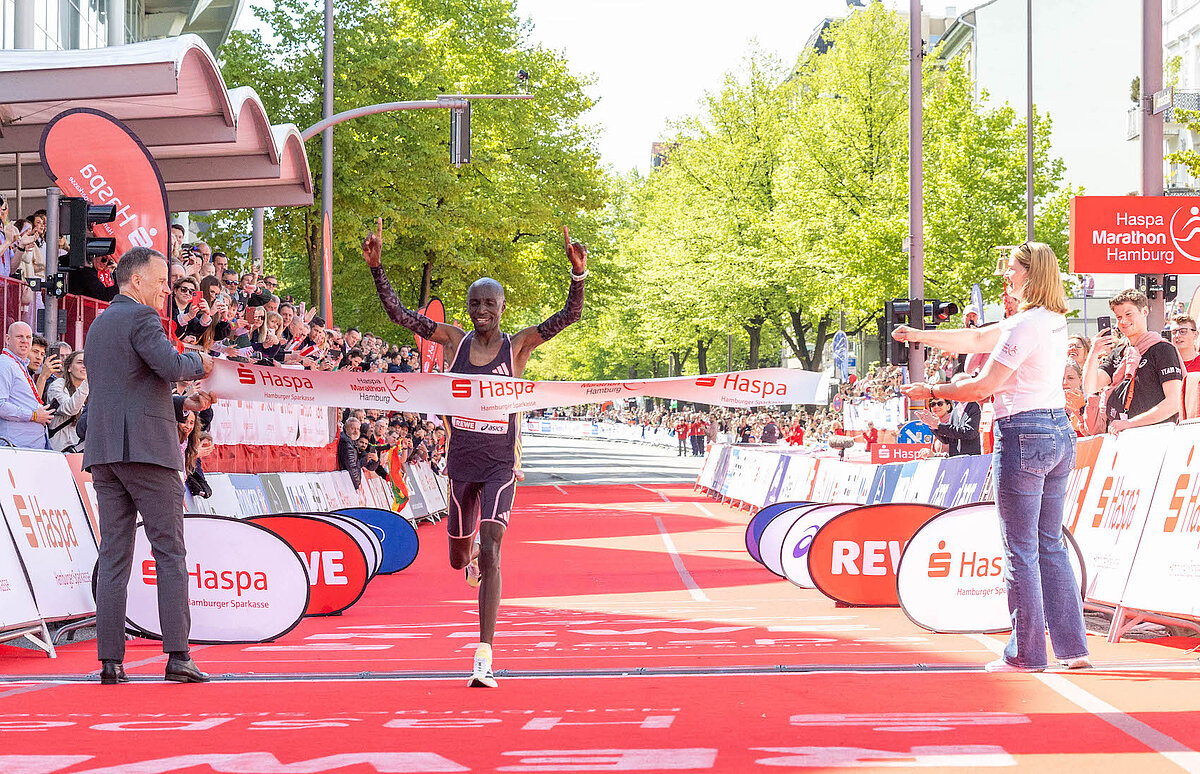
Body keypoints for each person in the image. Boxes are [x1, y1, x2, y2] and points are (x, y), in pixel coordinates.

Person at [364, 217, 586, 688]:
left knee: (492, 551)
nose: (482, 309)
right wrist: (377, 269)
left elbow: (568, 319)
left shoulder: (518, 344)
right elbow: (403, 317)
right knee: (457, 557)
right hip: (461, 464)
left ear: (503, 307)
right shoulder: (454, 339)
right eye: (475, 302)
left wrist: (577, 276)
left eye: (490, 302)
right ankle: (469, 564)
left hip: (500, 464)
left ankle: (483, 654)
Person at [893, 241, 1089, 672]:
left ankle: (1026, 654)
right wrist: (919, 335)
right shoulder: (1052, 320)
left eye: (1012, 269)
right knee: (1049, 543)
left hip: (1022, 430)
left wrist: (932, 391)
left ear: (1030, 274)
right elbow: (979, 337)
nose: (1007, 276)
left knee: (1021, 548)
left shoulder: (1024, 325)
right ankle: (1073, 649)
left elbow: (983, 386)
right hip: (1056, 429)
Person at [84, 246, 215, 686]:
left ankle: (110, 662)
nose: (166, 288)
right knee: (170, 554)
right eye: (161, 280)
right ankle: (178, 655)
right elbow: (169, 364)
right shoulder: (142, 319)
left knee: (114, 557)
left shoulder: (99, 324)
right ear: (136, 280)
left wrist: (180, 402)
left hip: (105, 452)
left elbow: (128, 386)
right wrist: (202, 362)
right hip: (147, 452)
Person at [1082, 288, 1182, 435]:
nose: (1123, 321)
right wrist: (1093, 352)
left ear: (1145, 312)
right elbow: (1091, 387)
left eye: (1128, 314)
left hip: (1157, 436)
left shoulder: (1163, 349)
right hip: (1121, 436)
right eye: (1118, 316)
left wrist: (1130, 423)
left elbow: (1174, 402)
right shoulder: (1118, 352)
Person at [0, 322, 52, 449]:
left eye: (28, 337)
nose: (24, 341)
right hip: (16, 446)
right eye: (19, 337)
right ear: (7, 339)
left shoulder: (18, 365)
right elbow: (1, 405)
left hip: (27, 447)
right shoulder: (5, 364)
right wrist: (34, 416)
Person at [46, 351, 88, 452]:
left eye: (87, 363)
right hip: (60, 451)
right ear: (69, 368)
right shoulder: (57, 385)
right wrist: (87, 382)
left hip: (80, 451)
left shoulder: (91, 389)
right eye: (80, 362)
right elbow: (70, 409)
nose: (84, 366)